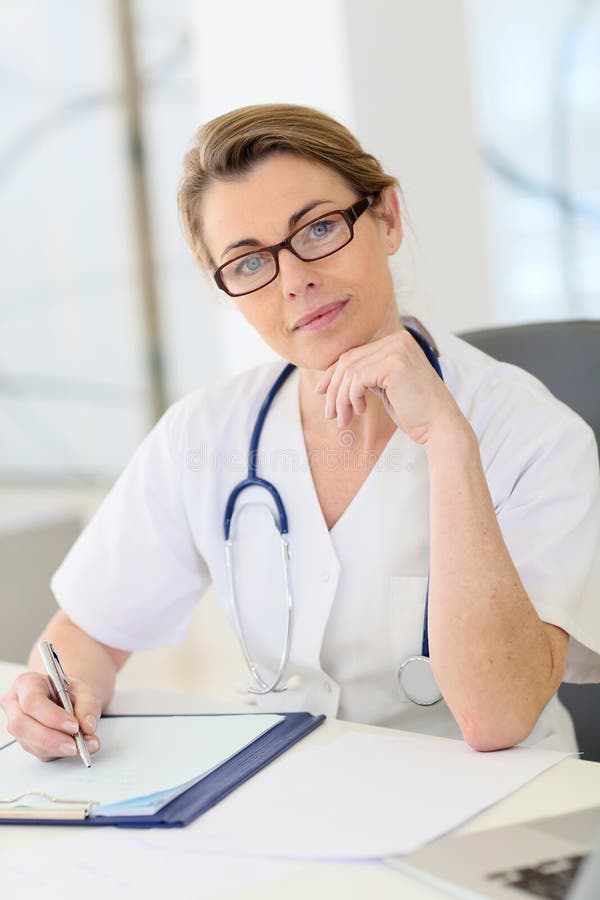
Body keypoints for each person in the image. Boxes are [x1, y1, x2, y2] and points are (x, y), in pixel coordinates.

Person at [2, 104, 599, 762]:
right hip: (290, 799)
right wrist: (54, 698)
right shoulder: (206, 433)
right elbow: (85, 634)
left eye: (317, 230)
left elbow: (498, 717)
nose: (295, 282)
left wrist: (450, 447)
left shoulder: (528, 431)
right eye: (249, 263)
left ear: (387, 219)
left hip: (502, 818)